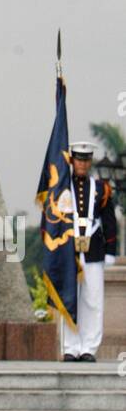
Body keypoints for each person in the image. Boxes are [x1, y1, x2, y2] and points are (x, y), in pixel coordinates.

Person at [62, 141, 117, 362]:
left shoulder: (101, 188)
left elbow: (109, 221)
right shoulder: (63, 188)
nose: (82, 164)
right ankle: (70, 347)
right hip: (68, 249)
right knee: (69, 298)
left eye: (85, 160)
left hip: (93, 248)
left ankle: (88, 348)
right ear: (72, 161)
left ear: (90, 162)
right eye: (78, 160)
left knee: (92, 299)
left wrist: (110, 250)